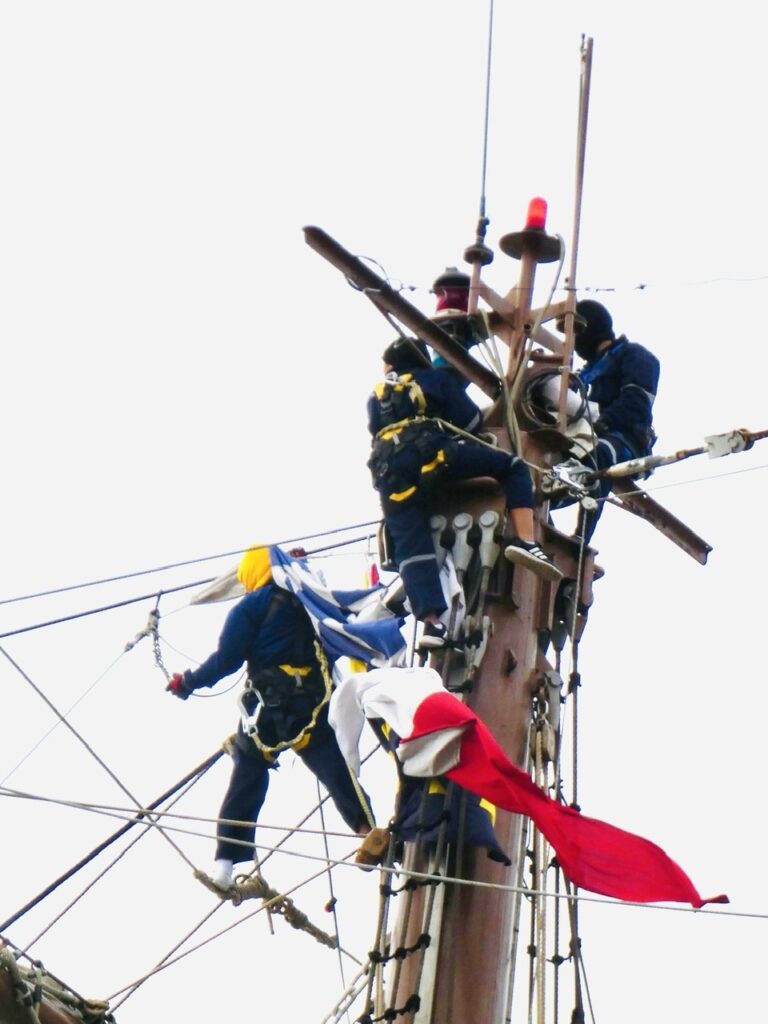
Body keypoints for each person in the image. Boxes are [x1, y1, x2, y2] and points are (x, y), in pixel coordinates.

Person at [166, 546, 377, 889]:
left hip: (268, 708)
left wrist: (187, 682)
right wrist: (300, 564)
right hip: (312, 702)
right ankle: (367, 831)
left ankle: (224, 866)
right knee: (334, 768)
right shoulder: (307, 597)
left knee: (248, 773)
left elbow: (226, 661)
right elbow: (334, 614)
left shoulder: (250, 607)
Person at [367, 336, 562, 649]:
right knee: (513, 467)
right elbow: (471, 421)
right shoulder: (434, 379)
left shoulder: (377, 395)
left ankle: (434, 624)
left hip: (388, 472)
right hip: (430, 457)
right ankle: (526, 542)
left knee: (410, 541)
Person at [558, 299, 660, 542]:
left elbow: (636, 401)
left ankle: (581, 539)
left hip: (625, 439)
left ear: (590, 328)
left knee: (598, 456)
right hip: (583, 436)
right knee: (547, 472)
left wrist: (604, 421)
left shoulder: (634, 355)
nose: (573, 341)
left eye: (577, 332)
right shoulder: (581, 375)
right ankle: (532, 526)